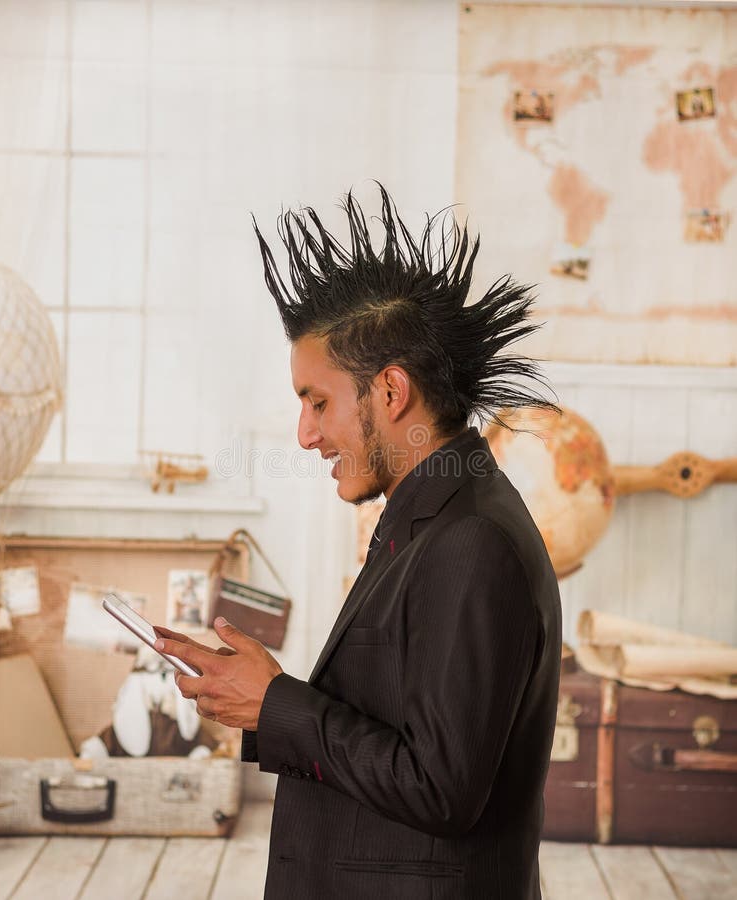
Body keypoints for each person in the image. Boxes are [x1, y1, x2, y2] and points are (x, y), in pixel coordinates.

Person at [155, 185, 562, 899]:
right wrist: (258, 704)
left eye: (317, 402)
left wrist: (278, 702)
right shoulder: (431, 518)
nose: (305, 434)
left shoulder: (471, 542)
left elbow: (441, 790)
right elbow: (393, 729)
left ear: (390, 392)